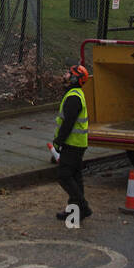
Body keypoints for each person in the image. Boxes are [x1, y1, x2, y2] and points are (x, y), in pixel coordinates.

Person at [53, 63, 92, 222]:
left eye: (69, 73)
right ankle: (75, 211)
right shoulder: (75, 94)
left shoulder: (73, 97)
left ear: (76, 78)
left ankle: (83, 206)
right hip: (78, 143)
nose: (66, 75)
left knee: (64, 176)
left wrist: (58, 141)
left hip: (73, 143)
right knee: (75, 177)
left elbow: (68, 123)